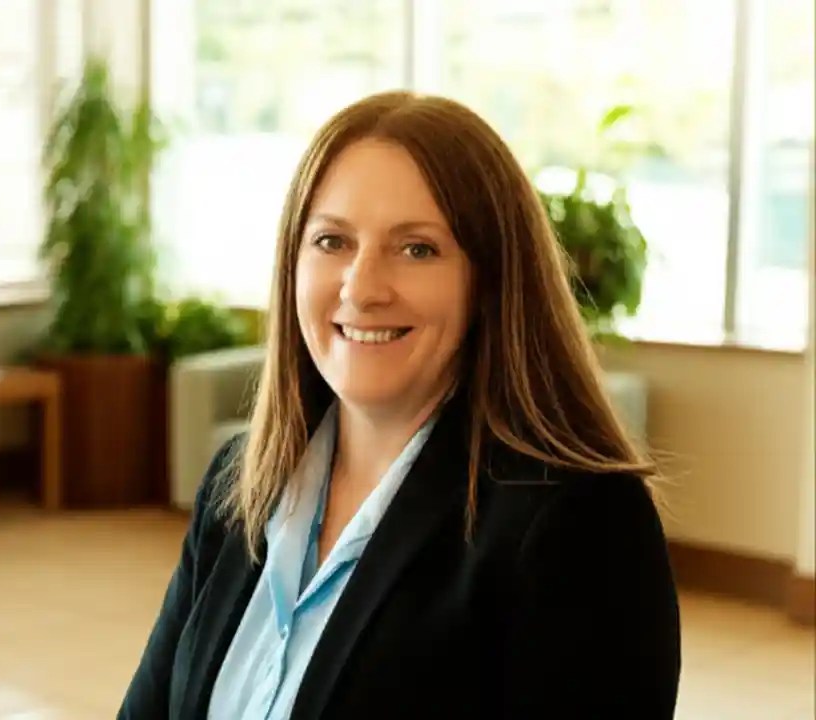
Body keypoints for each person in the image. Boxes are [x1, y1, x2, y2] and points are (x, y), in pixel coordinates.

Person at [117, 91, 681, 719]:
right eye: (332, 241)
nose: (361, 287)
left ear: (491, 282)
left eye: (417, 249)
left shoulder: (580, 524)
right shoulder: (238, 481)